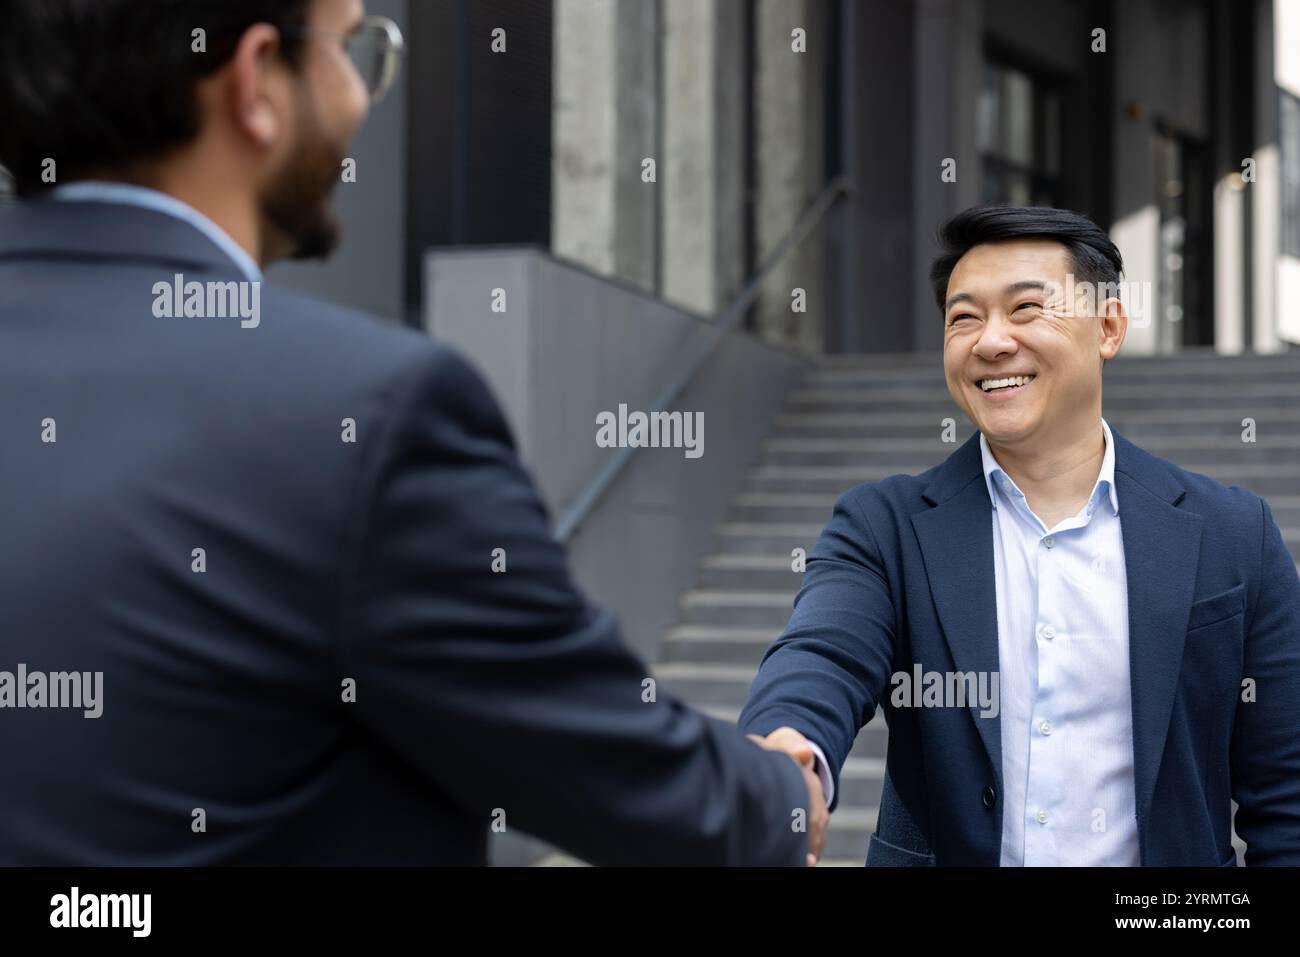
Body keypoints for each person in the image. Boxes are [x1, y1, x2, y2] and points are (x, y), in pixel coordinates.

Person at [0, 0, 826, 866]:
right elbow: (620, 768)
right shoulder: (368, 412)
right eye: (352, 47)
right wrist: (778, 793)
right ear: (253, 83)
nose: (363, 95)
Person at [742, 205, 1300, 866]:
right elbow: (823, 655)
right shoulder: (883, 527)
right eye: (964, 317)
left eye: (1027, 308)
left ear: (1109, 327)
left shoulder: (1232, 534)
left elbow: (1286, 795)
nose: (990, 341)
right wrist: (786, 754)